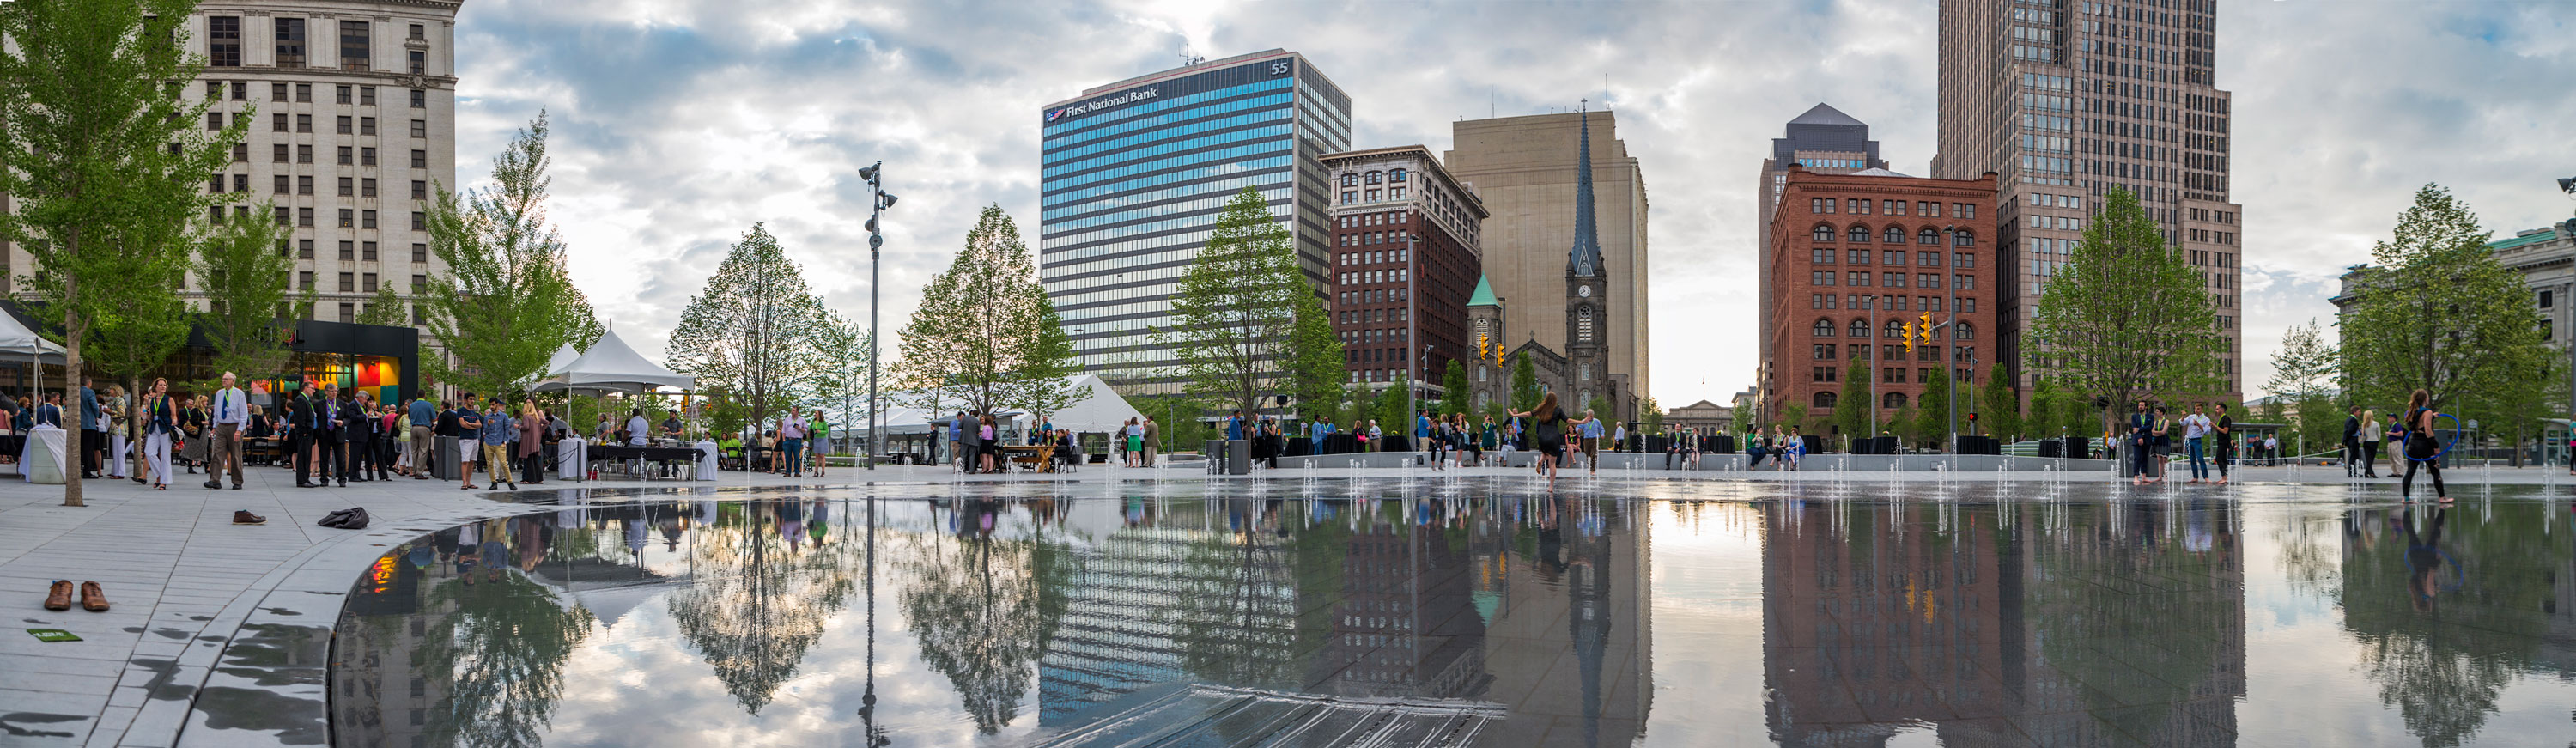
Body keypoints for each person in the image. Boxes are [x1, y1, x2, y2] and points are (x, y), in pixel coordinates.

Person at [1508, 392, 1568, 491]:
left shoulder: (1541, 409)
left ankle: (1541, 460)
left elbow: (1528, 414)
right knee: (1552, 464)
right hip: (1553, 437)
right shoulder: (1558, 410)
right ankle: (1551, 487)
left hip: (1542, 437)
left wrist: (1515, 415)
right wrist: (1582, 421)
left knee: (1544, 453)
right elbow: (1568, 420)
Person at [2401, 389, 2446, 503]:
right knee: (2435, 471)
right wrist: (2436, 446)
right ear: (2425, 399)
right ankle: (2442, 498)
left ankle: (2405, 498)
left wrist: (2433, 417)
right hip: (2425, 445)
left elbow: (2417, 423)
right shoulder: (2427, 412)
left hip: (2413, 444)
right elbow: (2428, 431)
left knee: (2410, 471)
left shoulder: (2411, 411)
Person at [207, 373, 248, 490]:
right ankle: (214, 480)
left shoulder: (239, 394)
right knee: (217, 452)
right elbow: (217, 411)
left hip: (234, 425)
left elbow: (244, 414)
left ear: (233, 381)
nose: (224, 381)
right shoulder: (219, 393)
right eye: (223, 379)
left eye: (226, 379)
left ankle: (237, 481)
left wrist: (239, 430)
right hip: (221, 426)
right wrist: (214, 427)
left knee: (236, 454)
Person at [140, 378, 176, 490]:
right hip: (154, 427)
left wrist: (174, 421)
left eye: (164, 385)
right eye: (160, 385)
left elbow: (173, 414)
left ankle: (163, 481)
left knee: (165, 455)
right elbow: (149, 415)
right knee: (149, 452)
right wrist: (145, 410)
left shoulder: (169, 399)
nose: (163, 387)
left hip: (165, 427)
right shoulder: (152, 401)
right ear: (155, 387)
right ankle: (160, 476)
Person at [477, 398, 515, 490]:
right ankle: (494, 482)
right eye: (490, 405)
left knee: (503, 463)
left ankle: (510, 482)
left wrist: (505, 441)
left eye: (493, 405)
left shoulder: (504, 416)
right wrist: (489, 425)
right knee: (490, 463)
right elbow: (485, 431)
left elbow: (506, 429)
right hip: (489, 442)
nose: (491, 407)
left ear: (497, 405)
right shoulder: (487, 417)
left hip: (499, 442)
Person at [455, 398, 483, 490]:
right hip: (465, 439)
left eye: (474, 399)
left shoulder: (474, 413)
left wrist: (471, 425)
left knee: (472, 461)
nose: (472, 401)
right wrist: (473, 426)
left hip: (475, 439)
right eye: (470, 399)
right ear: (466, 400)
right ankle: (464, 482)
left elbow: (479, 425)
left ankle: (469, 481)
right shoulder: (461, 411)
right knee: (465, 461)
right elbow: (463, 424)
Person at [78, 376, 101, 479]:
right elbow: (94, 406)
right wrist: (96, 415)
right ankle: (87, 471)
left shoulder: (76, 391)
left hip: (78, 424)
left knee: (79, 448)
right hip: (88, 423)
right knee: (88, 448)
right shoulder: (90, 392)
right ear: (89, 383)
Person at [408, 395, 436, 480]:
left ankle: (415, 470)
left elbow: (409, 417)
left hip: (414, 428)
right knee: (423, 450)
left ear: (417, 396)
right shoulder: (428, 405)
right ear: (425, 396)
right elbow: (434, 418)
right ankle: (419, 472)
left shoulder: (412, 405)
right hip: (424, 427)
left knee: (414, 450)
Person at [2183, 403, 2212, 483]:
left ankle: (2206, 477)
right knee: (2192, 460)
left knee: (2200, 459)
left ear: (2202, 409)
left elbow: (2207, 431)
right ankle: (2195, 477)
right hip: (2189, 440)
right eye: (2195, 409)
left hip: (2197, 440)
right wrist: (2183, 416)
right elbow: (2183, 423)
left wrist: (2198, 424)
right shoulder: (2191, 416)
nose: (2196, 410)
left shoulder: (2206, 419)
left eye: (2198, 409)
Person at [519, 401, 547, 485]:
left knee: (529, 460)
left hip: (528, 441)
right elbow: (546, 422)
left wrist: (519, 427)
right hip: (535, 441)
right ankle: (539, 479)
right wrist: (540, 430)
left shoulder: (526, 417)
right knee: (535, 461)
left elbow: (526, 427)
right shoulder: (536, 417)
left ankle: (531, 479)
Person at [2128, 401, 2155, 485]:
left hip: (2147, 439)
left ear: (2146, 407)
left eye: (2142, 405)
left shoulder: (2150, 416)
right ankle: (2136, 476)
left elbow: (2150, 427)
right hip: (2137, 440)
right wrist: (2139, 437)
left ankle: (2144, 476)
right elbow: (2134, 428)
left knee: (2145, 458)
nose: (2140, 407)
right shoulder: (2134, 416)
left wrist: (2139, 429)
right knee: (2137, 458)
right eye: (2139, 405)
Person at [779, 408, 807, 477]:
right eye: (792, 410)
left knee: (797, 456)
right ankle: (788, 472)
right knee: (787, 456)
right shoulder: (787, 419)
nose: (792, 412)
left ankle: (797, 472)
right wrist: (784, 440)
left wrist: (799, 428)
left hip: (797, 440)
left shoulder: (802, 420)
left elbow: (805, 430)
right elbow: (784, 430)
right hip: (788, 440)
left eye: (794, 410)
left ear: (797, 412)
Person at [2212, 403, 2234, 486]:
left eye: (2217, 409)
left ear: (2222, 409)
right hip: (2221, 442)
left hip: (2224, 442)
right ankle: (2224, 478)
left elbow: (2225, 431)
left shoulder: (2226, 418)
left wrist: (2215, 426)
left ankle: (2224, 478)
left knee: (2218, 458)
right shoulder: (2221, 418)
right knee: (2223, 459)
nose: (2216, 410)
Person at [2358, 408, 2383, 478]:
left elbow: (2363, 435)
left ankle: (2367, 472)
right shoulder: (2376, 423)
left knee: (2368, 457)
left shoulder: (2364, 424)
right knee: (2372, 458)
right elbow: (2379, 434)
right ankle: (2371, 473)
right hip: (2374, 442)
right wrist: (2378, 439)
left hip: (2366, 442)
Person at [2342, 405, 2363, 477]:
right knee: (2354, 456)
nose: (2360, 413)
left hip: (2350, 440)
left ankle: (2354, 471)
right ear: (2354, 412)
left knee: (2354, 456)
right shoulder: (2353, 420)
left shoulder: (2349, 419)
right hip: (2353, 440)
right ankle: (2352, 472)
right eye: (2359, 411)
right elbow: (2350, 430)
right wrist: (2358, 432)